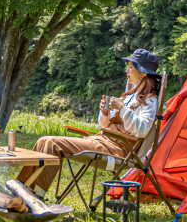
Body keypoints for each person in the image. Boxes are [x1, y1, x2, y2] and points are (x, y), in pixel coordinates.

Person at [14, 49, 161, 198]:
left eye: (130, 67)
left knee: (53, 143)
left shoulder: (150, 101)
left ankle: (36, 194)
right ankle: (20, 187)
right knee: (43, 140)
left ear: (143, 72)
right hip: (102, 140)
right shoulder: (130, 96)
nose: (126, 70)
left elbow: (142, 130)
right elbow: (104, 126)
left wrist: (122, 108)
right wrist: (105, 113)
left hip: (117, 150)